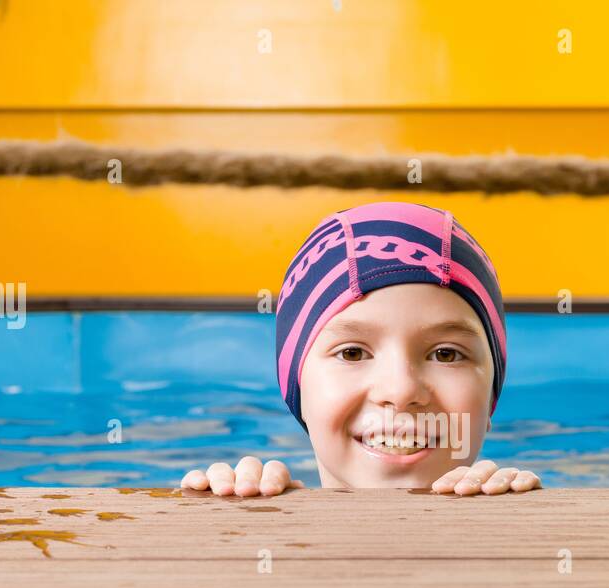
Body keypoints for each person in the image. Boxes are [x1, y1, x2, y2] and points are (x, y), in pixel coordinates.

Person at [180, 201, 541, 497]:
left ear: (492, 391)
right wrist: (240, 512)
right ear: (297, 387)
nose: (400, 391)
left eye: (445, 354)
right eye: (352, 353)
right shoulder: (260, 511)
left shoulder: (516, 505)